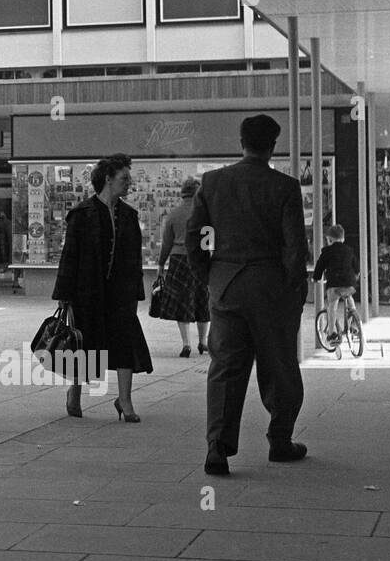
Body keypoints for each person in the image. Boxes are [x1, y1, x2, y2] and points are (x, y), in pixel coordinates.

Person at [187, 115, 311, 476]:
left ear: (240, 142)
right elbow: (294, 246)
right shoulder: (284, 187)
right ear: (273, 146)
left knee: (225, 366)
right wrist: (295, 290)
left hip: (226, 286)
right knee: (280, 366)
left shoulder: (212, 182)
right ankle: (280, 440)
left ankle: (218, 448)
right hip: (272, 288)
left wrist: (210, 276)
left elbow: (195, 237)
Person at [53, 153, 153, 422]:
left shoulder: (129, 215)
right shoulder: (82, 214)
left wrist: (135, 290)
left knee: (125, 343)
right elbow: (70, 256)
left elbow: (134, 256)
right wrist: (64, 294)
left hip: (121, 294)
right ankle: (75, 389)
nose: (128, 183)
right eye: (124, 178)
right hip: (88, 290)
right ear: (108, 179)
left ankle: (125, 400)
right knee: (85, 342)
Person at [154, 177, 211, 356]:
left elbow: (167, 244)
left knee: (182, 302)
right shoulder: (204, 214)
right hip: (200, 260)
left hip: (178, 261)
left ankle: (186, 344)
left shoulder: (173, 215)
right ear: (197, 193)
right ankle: (203, 342)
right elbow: (209, 242)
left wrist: (161, 264)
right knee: (203, 300)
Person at [312, 225, 359, 342]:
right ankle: (354, 322)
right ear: (343, 238)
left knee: (332, 306)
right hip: (349, 282)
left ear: (329, 239)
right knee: (349, 298)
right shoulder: (349, 250)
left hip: (334, 283)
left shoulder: (327, 251)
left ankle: (332, 333)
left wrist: (316, 278)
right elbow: (356, 266)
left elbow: (320, 266)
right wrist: (356, 274)